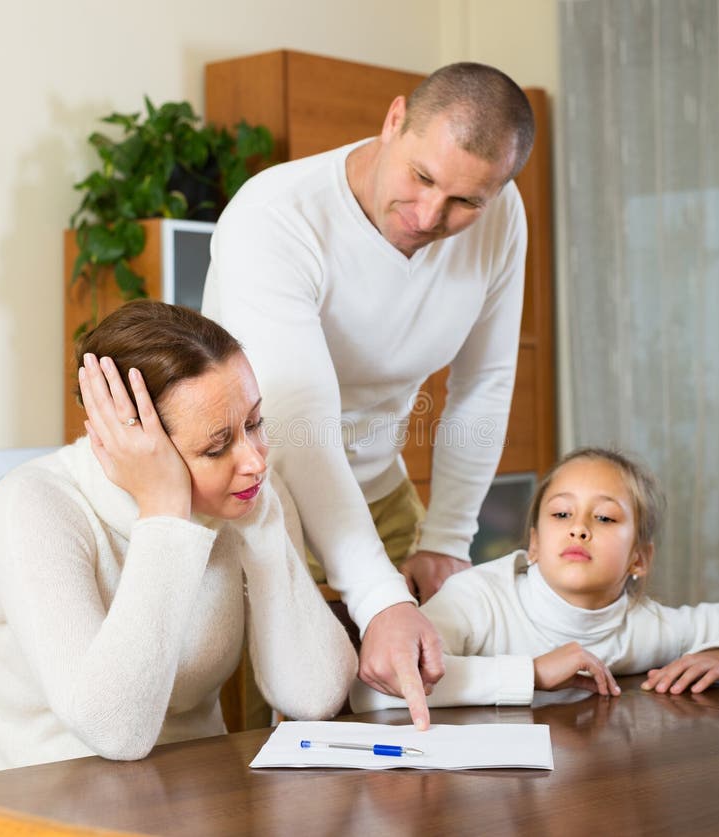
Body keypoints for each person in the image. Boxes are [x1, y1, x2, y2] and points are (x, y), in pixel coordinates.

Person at [201, 62, 536, 727]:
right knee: (285, 706)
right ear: (393, 120)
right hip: (257, 490)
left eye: (466, 202)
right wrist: (380, 598)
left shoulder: (501, 220)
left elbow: (486, 381)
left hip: (377, 484)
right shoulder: (277, 218)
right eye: (422, 177)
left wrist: (446, 537)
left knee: (416, 686)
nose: (429, 216)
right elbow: (299, 430)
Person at [0, 300, 357, 774]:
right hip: (41, 811)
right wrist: (164, 514)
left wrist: (262, 522)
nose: (255, 460)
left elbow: (313, 694)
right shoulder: (32, 507)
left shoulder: (248, 493)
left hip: (200, 805)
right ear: (131, 443)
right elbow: (115, 732)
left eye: (255, 423)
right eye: (217, 447)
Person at [350, 447, 719, 711]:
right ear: (535, 544)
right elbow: (373, 690)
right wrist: (532, 674)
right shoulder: (478, 599)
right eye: (562, 514)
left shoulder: (643, 625)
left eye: (604, 517)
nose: (579, 528)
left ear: (639, 558)